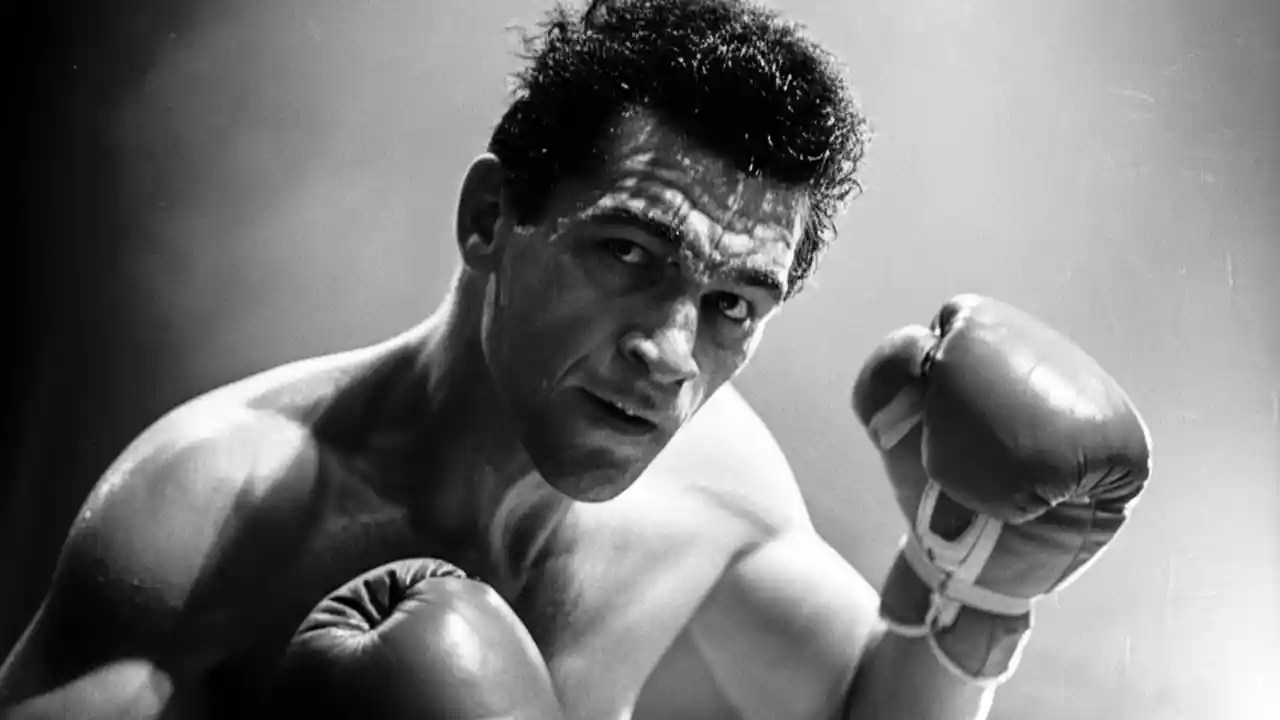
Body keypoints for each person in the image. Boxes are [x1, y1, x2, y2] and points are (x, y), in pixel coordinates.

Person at [0, 1, 1153, 718]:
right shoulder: (200, 521)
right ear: (490, 217)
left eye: (731, 304)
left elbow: (867, 710)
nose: (667, 356)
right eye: (626, 252)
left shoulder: (713, 487)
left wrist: (969, 600)